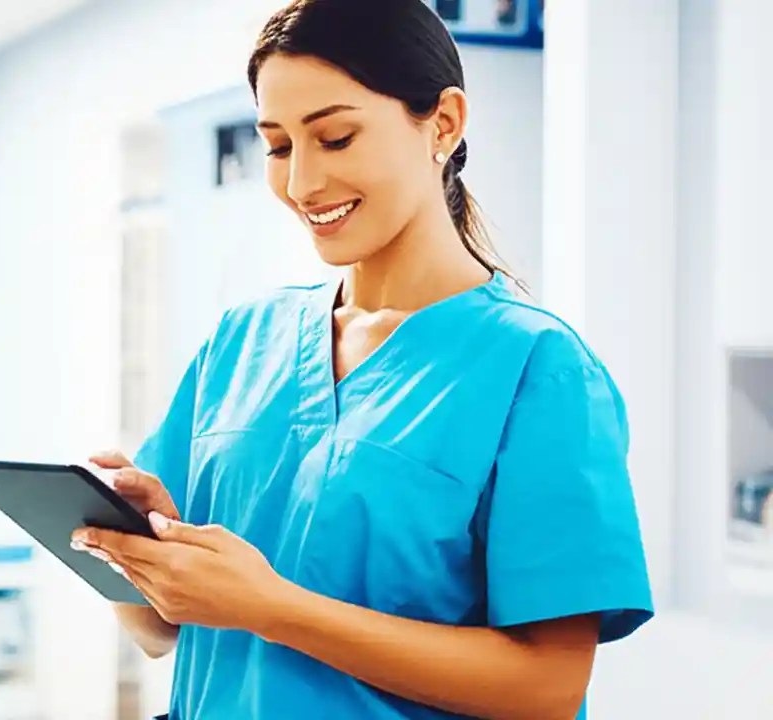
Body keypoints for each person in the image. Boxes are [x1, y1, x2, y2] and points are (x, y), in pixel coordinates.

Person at [71, 0, 655, 718]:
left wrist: (273, 607)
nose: (302, 183)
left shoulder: (536, 369)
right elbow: (160, 631)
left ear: (442, 123)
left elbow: (547, 688)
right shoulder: (243, 340)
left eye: (337, 138)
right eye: (279, 146)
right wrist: (140, 550)